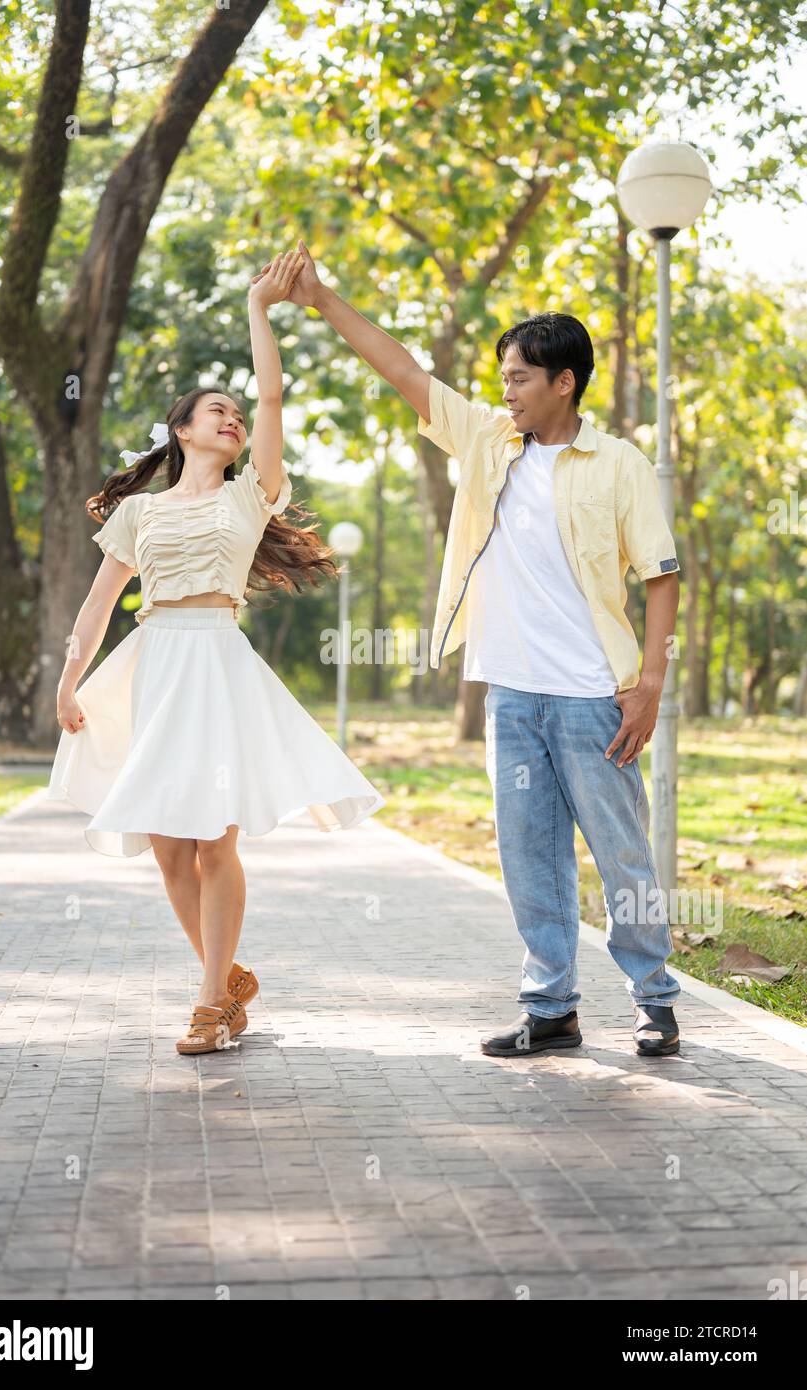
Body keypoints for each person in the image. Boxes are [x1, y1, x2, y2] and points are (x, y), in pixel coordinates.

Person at [258, 239, 681, 1059]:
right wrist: (323, 299)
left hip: (595, 693)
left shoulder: (619, 464)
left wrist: (650, 683)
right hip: (510, 692)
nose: (506, 391)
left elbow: (660, 575)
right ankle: (550, 1007)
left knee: (621, 853)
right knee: (528, 857)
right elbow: (405, 371)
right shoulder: (489, 440)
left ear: (564, 382)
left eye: (520, 377)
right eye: (503, 378)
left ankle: (655, 1000)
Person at [46, 250, 386, 1057]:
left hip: (217, 666)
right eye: (217, 412)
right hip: (155, 663)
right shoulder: (137, 513)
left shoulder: (249, 493)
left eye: (236, 415)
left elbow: (271, 393)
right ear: (181, 428)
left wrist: (259, 309)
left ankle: (207, 1008)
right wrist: (69, 685)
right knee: (167, 848)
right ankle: (225, 981)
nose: (233, 419)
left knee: (214, 839)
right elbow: (97, 609)